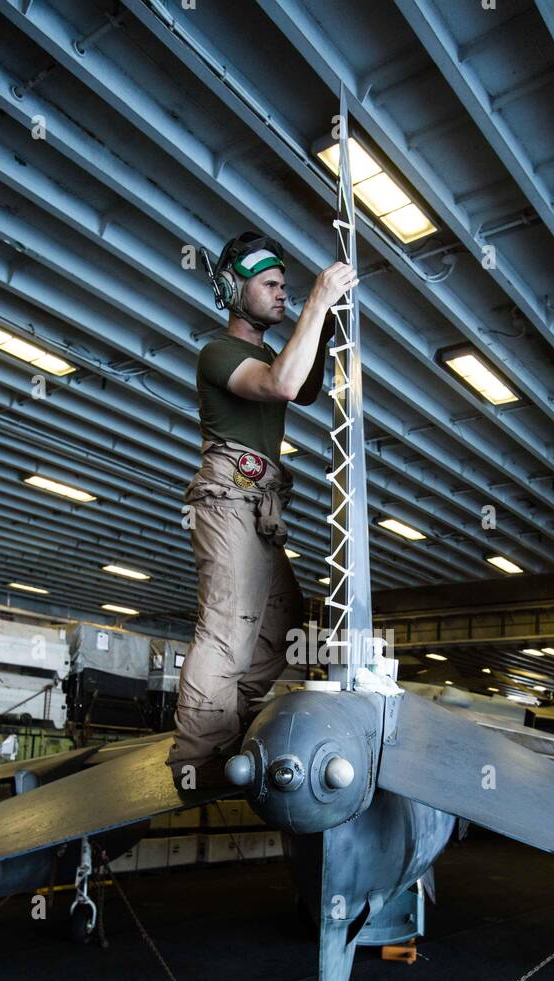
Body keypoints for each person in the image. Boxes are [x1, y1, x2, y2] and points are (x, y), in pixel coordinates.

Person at [168, 231, 357, 791]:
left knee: (280, 623)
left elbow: (305, 388)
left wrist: (323, 323)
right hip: (229, 498)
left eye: (287, 287)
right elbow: (282, 385)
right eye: (270, 285)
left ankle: (228, 728)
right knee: (228, 628)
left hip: (261, 505)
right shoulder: (220, 353)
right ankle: (195, 763)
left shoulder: (271, 353)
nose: (283, 294)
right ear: (233, 288)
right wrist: (318, 301)